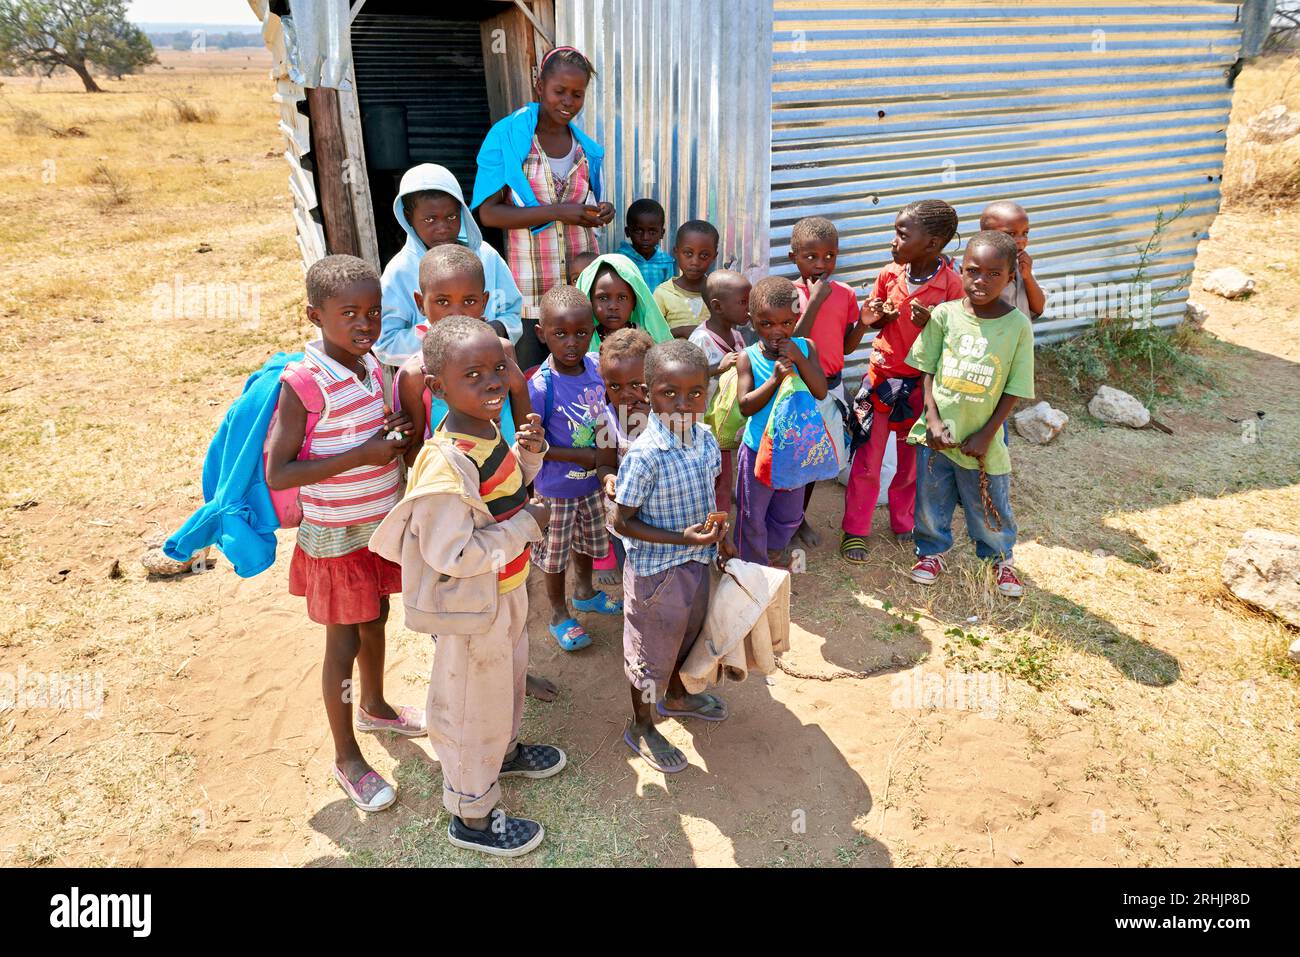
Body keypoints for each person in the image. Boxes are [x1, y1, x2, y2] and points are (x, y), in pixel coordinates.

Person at [370, 317, 566, 857]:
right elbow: (451, 554)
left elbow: (505, 492)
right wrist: (529, 525)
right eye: (472, 374)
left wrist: (529, 455)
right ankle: (472, 812)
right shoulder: (444, 462)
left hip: (507, 589)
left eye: (499, 368)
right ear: (436, 389)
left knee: (505, 685)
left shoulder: (487, 429)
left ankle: (501, 754)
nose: (492, 382)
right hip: (473, 605)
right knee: (471, 704)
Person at [264, 255, 424, 814]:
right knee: (344, 640)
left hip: (379, 522)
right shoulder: (304, 383)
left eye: (374, 312)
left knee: (376, 616)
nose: (365, 324)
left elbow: (373, 430)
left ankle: (376, 705)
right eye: (349, 313)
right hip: (337, 533)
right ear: (315, 315)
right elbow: (280, 471)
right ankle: (347, 756)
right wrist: (362, 454)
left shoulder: (372, 363)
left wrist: (395, 433)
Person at [390, 245, 560, 702]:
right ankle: (468, 681)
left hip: (502, 475)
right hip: (456, 488)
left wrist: (528, 457)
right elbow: (414, 447)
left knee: (510, 582)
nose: (455, 312)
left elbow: (522, 413)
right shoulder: (413, 372)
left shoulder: (500, 351)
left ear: (485, 302)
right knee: (466, 585)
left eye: (468, 302)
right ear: (419, 300)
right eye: (441, 302)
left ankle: (514, 671)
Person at [612, 340, 735, 773]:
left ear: (709, 392)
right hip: (655, 576)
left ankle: (678, 697)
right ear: (648, 393)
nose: (683, 404)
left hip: (698, 564)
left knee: (688, 635)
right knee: (651, 654)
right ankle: (641, 725)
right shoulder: (645, 455)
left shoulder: (703, 438)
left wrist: (720, 533)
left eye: (695, 393)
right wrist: (681, 540)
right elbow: (621, 522)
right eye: (669, 393)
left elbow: (711, 489)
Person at [905, 230, 1034, 599]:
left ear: (1011, 277)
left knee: (989, 498)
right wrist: (930, 419)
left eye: (994, 274)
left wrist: (989, 433)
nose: (981, 281)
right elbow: (926, 367)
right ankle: (931, 552)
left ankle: (998, 558)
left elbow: (1015, 387)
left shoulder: (1017, 326)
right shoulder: (945, 316)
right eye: (974, 270)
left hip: (982, 437)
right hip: (937, 434)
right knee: (932, 496)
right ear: (960, 270)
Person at [840, 200, 963, 564]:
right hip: (881, 380)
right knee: (868, 460)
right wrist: (876, 317)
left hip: (920, 388)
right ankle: (855, 530)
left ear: (933, 243)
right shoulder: (890, 273)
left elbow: (957, 340)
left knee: (910, 464)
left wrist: (933, 324)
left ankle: (903, 521)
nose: (894, 241)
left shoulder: (951, 287)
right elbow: (874, 318)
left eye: (902, 235)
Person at [473, 46, 613, 317]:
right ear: (540, 86)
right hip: (532, 288)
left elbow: (588, 203)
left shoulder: (587, 151)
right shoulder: (507, 139)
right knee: (532, 361)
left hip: (583, 285)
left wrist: (603, 211)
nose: (568, 101)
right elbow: (489, 214)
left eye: (577, 94)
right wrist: (558, 212)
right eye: (559, 91)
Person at [528, 284, 622, 651]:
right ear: (542, 334)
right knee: (554, 557)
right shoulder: (540, 386)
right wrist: (581, 456)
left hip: (593, 486)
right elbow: (534, 447)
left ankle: (585, 593)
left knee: (587, 544)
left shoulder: (599, 368)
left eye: (581, 333)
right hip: (556, 491)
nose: (572, 343)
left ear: (593, 332)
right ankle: (558, 613)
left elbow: (611, 415)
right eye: (560, 334)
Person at [376, 163, 523, 369]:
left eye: (451, 217)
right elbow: (385, 343)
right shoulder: (399, 271)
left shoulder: (486, 256)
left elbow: (512, 313)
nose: (443, 228)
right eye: (430, 219)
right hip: (431, 386)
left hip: (486, 373)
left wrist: (494, 329)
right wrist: (441, 335)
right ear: (408, 217)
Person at [734, 275, 828, 566]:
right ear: (751, 321)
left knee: (790, 515)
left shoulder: (806, 347)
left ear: (797, 316)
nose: (778, 332)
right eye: (767, 324)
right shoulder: (748, 358)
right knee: (752, 514)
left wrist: (799, 359)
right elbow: (745, 406)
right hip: (757, 452)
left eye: (786, 323)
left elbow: (821, 391)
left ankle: (772, 550)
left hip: (794, 453)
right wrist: (774, 379)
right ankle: (751, 566)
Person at [787, 216, 869, 548]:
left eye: (830, 256)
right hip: (796, 388)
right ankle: (788, 521)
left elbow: (846, 344)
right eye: (811, 257)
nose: (822, 264)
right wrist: (815, 299)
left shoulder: (846, 293)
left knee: (815, 460)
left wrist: (863, 324)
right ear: (793, 256)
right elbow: (792, 344)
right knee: (793, 457)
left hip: (831, 387)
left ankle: (798, 517)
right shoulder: (786, 293)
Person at [594, 327, 654, 586]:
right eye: (615, 386)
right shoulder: (606, 420)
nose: (626, 394)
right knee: (631, 572)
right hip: (623, 518)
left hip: (659, 515)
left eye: (635, 385)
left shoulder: (666, 416)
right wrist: (608, 478)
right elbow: (604, 464)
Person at [688, 269, 752, 513]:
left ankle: (719, 525)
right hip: (706, 428)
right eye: (743, 302)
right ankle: (717, 534)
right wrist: (717, 367)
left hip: (726, 424)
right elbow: (688, 379)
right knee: (716, 481)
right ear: (717, 306)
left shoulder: (736, 335)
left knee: (724, 477)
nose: (749, 307)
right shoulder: (701, 339)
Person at [575, 253, 673, 349]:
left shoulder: (647, 341)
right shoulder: (582, 340)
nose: (613, 306)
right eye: (603, 298)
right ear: (589, 300)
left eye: (622, 298)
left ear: (634, 302)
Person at [979, 200, 1046, 320]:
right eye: (1011, 234)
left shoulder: (1020, 266)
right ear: (986, 235)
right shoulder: (979, 272)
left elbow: (1039, 308)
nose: (1021, 240)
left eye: (1025, 233)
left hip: (1022, 338)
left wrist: (1027, 276)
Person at [653, 220, 720, 339]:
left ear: (714, 256)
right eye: (688, 253)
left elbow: (729, 333)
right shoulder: (663, 293)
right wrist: (681, 331)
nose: (695, 262)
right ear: (676, 252)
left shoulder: (718, 294)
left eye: (704, 255)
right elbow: (653, 336)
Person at [617, 198, 676, 291]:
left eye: (652, 232)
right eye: (638, 231)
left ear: (662, 233)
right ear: (628, 232)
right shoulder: (620, 260)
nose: (645, 237)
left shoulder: (666, 262)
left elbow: (669, 293)